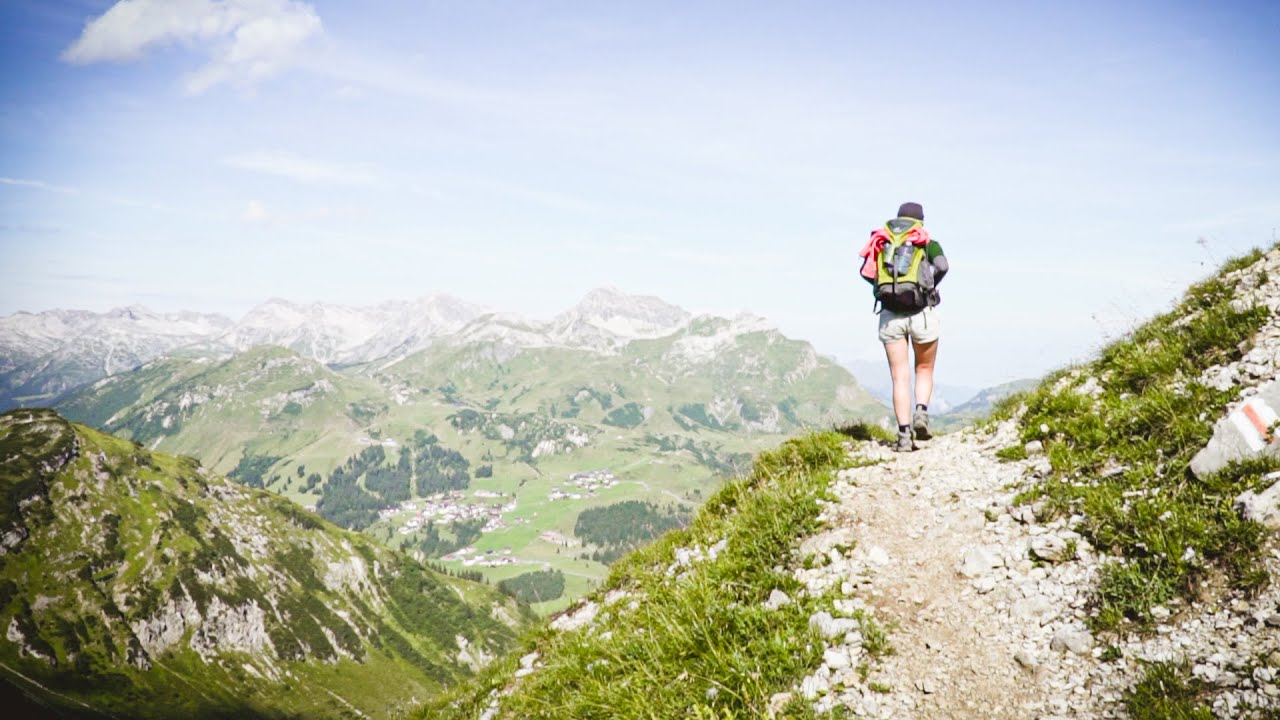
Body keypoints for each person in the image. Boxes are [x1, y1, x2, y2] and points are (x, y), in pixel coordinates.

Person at [857, 201, 949, 451]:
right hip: (921, 313)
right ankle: (921, 412)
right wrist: (927, 284)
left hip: (890, 315)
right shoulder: (925, 240)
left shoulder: (882, 240)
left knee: (899, 376)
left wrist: (888, 290)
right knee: (924, 368)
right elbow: (942, 266)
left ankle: (904, 436)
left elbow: (866, 273)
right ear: (920, 220)